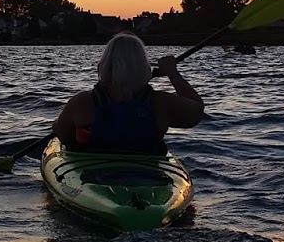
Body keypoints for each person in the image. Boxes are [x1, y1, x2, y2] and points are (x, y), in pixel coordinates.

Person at [52, 32, 203, 154]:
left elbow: (63, 135)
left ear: (104, 66)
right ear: (144, 67)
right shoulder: (161, 103)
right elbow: (196, 112)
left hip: (95, 175)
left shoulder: (82, 102)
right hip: (148, 176)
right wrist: (173, 73)